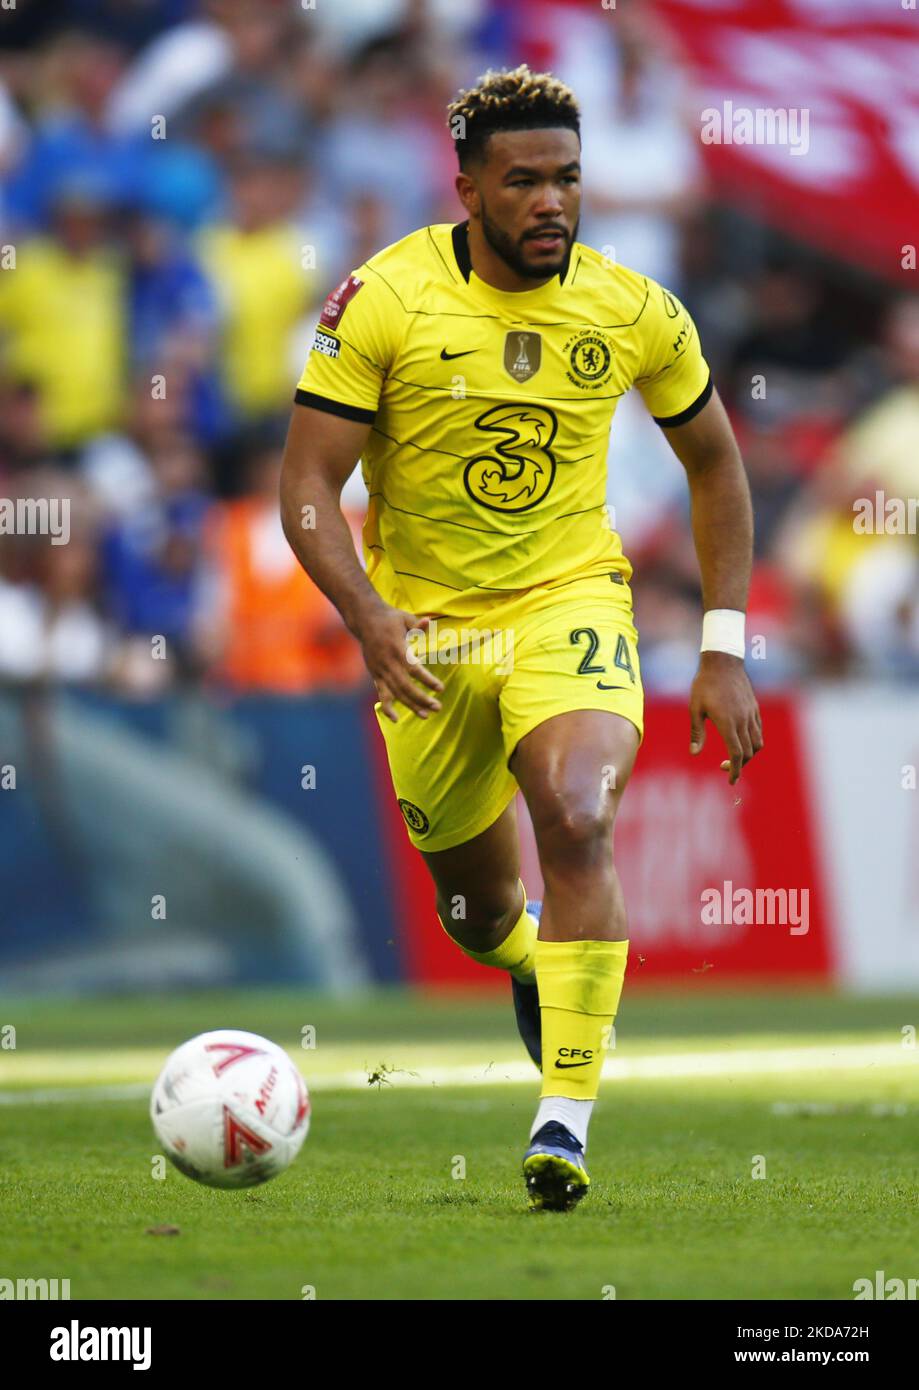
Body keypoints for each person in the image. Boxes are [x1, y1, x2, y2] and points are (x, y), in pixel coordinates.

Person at [280, 65, 763, 1212]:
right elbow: (305, 483)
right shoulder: (387, 297)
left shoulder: (633, 309)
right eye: (524, 182)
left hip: (570, 603)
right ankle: (525, 949)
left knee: (578, 810)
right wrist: (367, 615)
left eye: (568, 179)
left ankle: (563, 1119)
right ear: (467, 189)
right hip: (428, 635)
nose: (552, 202)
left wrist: (723, 643)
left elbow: (715, 465)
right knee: (478, 918)